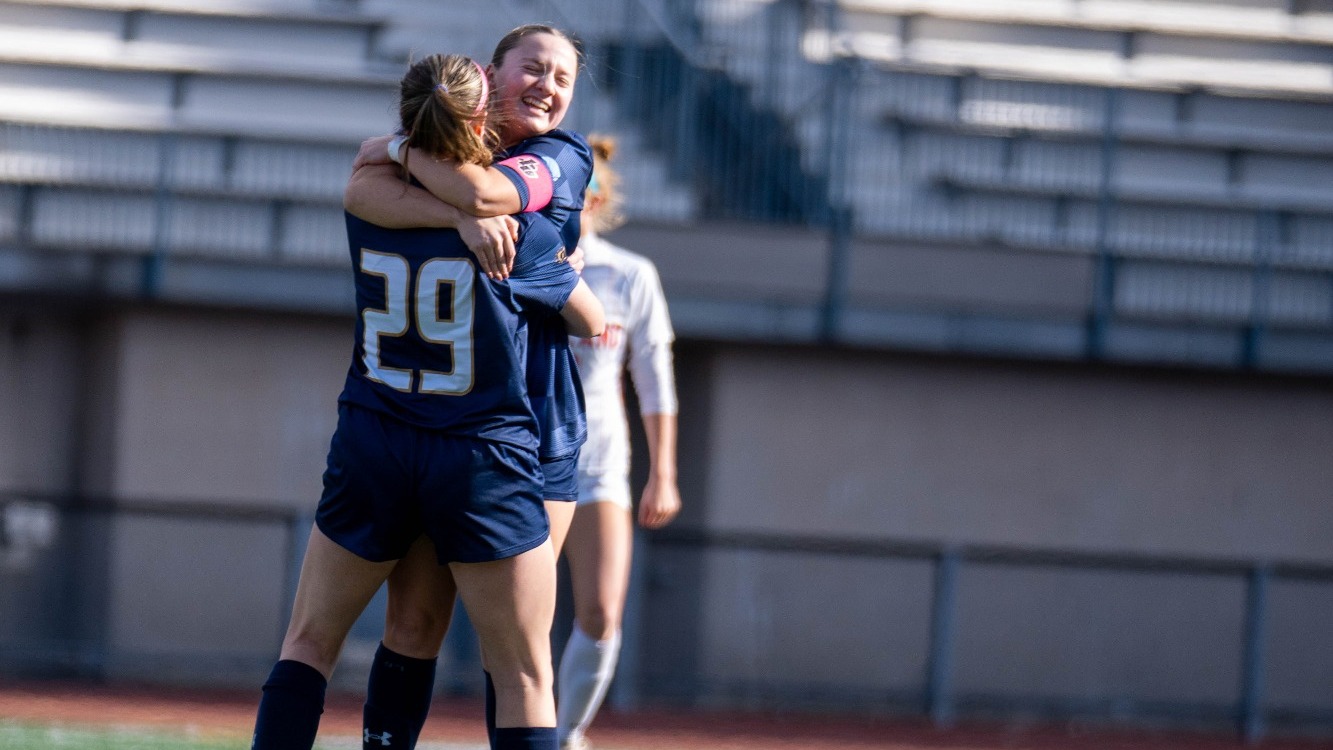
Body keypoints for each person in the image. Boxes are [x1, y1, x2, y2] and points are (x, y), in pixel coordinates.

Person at [249, 52, 604, 750]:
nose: (547, 86)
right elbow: (591, 320)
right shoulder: (518, 234)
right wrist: (548, 261)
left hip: (376, 435)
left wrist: (411, 159)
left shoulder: (370, 192)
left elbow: (367, 181)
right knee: (523, 674)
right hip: (481, 447)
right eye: (531, 69)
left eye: (561, 76)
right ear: (485, 109)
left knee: (310, 641)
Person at [557, 135, 681, 750]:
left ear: (598, 200)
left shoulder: (631, 275)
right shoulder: (521, 259)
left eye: (580, 193)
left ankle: (562, 735)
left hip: (599, 464)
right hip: (523, 462)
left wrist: (664, 473)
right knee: (515, 618)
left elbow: (656, 381)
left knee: (602, 614)